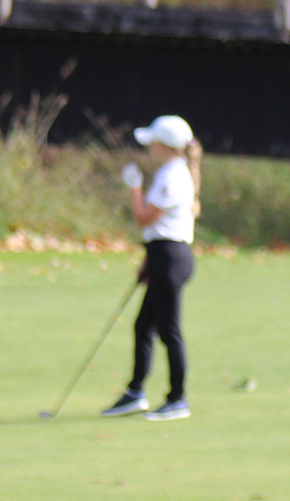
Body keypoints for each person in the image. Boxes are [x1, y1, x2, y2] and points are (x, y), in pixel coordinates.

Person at [101, 115, 200, 421]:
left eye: (153, 143)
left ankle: (177, 399)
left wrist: (134, 187)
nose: (149, 149)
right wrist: (148, 261)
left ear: (164, 145)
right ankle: (135, 393)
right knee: (144, 325)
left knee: (168, 331)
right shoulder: (174, 172)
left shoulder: (172, 176)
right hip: (162, 255)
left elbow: (144, 218)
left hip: (170, 257)